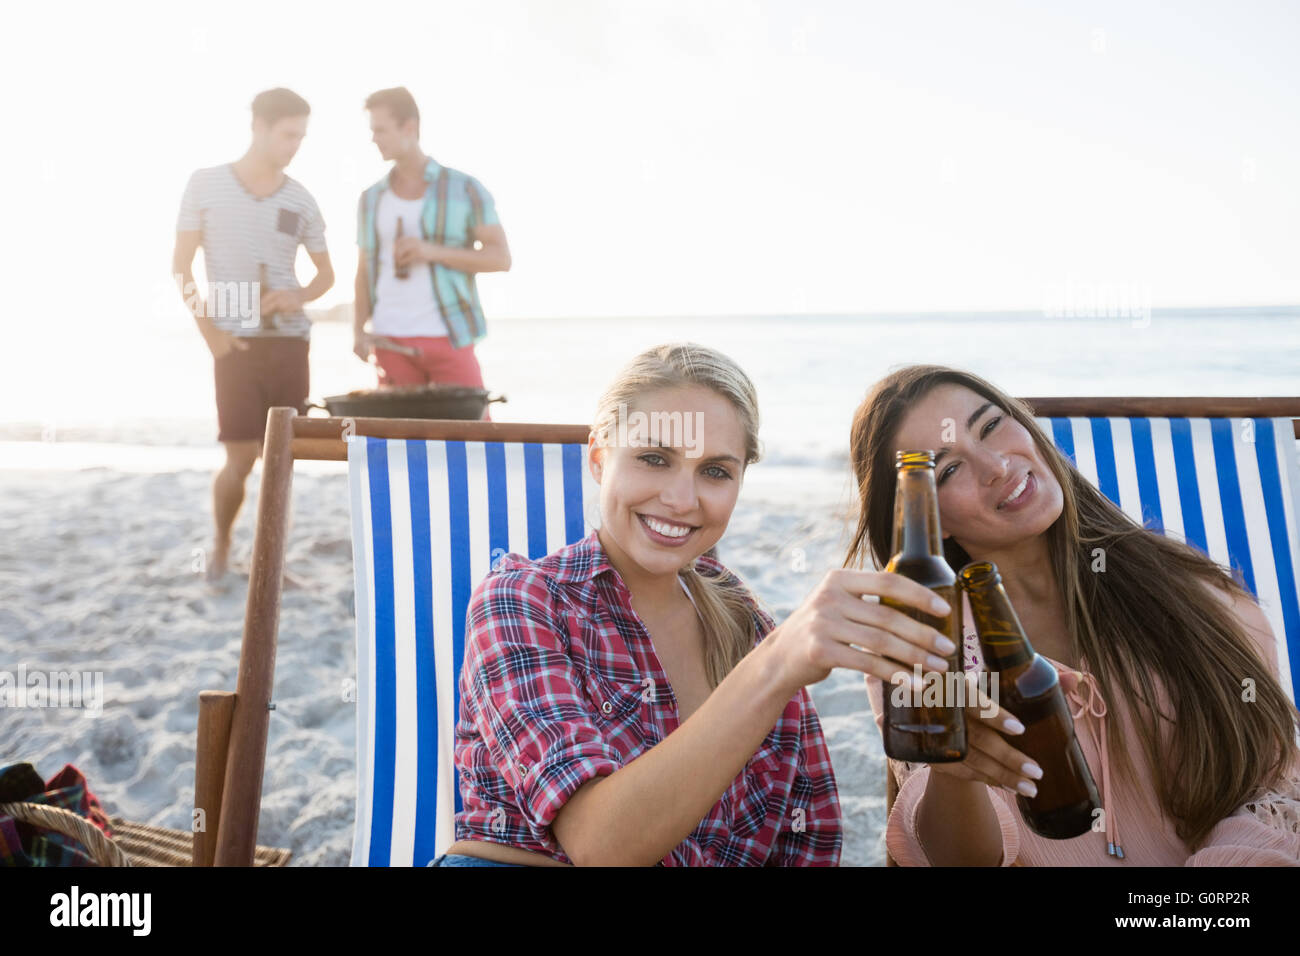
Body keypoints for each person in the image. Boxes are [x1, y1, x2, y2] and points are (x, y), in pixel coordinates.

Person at [440, 343, 1000, 867]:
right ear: (598, 458)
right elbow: (601, 845)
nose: (682, 500)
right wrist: (775, 668)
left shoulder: (744, 621)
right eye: (654, 459)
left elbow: (806, 842)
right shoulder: (523, 599)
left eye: (714, 471)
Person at [845, 364, 1300, 866]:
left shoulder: (1192, 596)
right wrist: (955, 771)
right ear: (924, 516)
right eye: (948, 469)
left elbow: (1272, 792)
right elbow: (958, 860)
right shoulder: (920, 640)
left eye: (992, 425)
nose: (996, 465)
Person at [173, 87, 334, 582]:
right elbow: (181, 268)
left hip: (290, 343)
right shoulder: (205, 184)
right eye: (288, 134)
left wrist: (299, 296)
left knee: (280, 461)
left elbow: (325, 276)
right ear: (259, 127)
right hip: (234, 343)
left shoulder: (300, 199)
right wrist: (211, 336)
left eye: (302, 137)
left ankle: (268, 562)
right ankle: (222, 546)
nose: (295, 145)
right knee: (240, 456)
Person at [352, 87, 509, 420]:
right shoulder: (371, 198)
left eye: (380, 130)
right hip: (389, 340)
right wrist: (357, 330)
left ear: (409, 127)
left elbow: (500, 258)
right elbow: (364, 269)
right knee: (400, 449)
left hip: (448, 336)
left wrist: (430, 251)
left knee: (474, 438)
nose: (374, 139)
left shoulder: (465, 188)